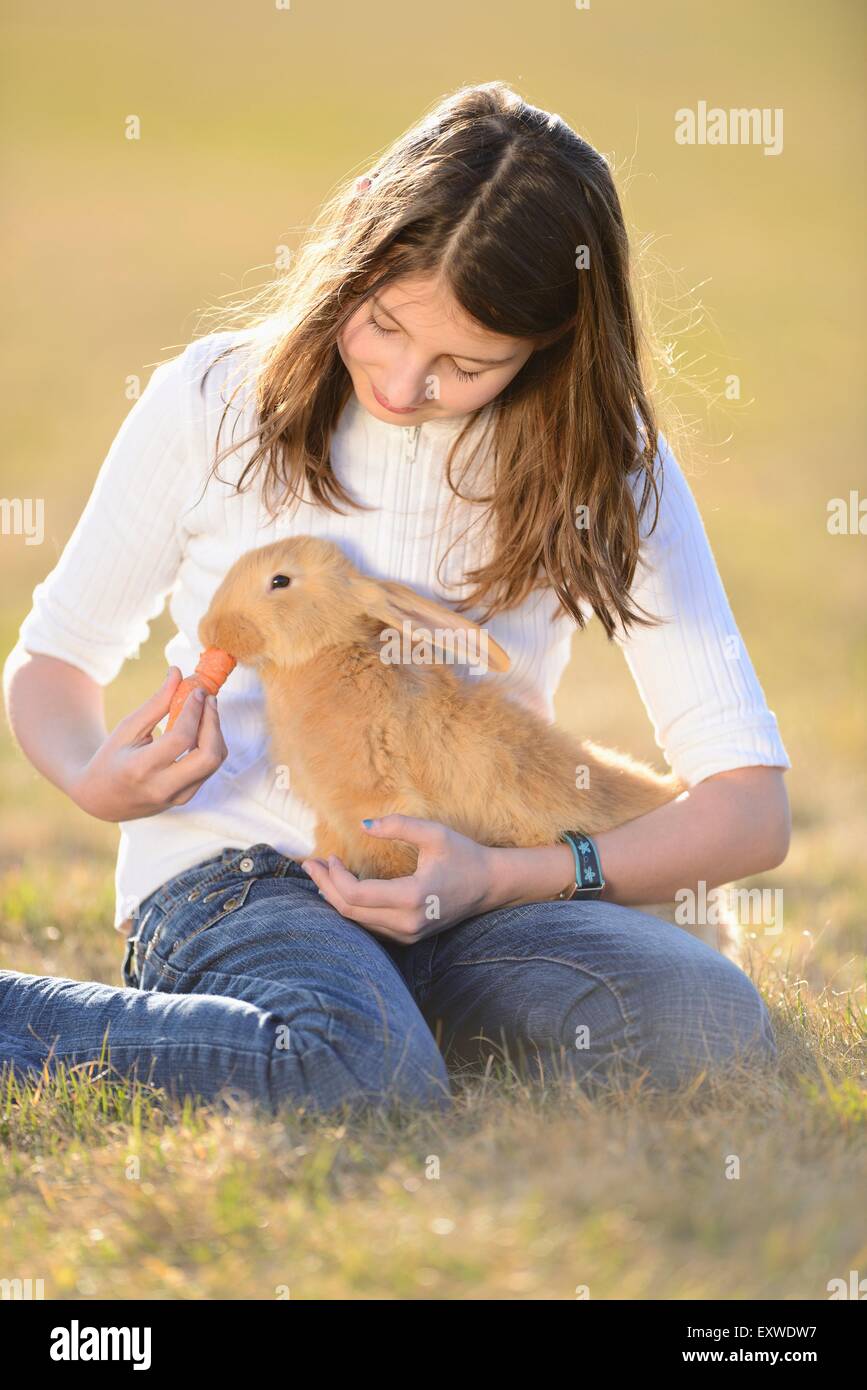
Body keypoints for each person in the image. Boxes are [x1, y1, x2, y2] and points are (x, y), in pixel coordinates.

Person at [2, 82, 790, 1112]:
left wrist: (504, 878)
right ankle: (331, 1030)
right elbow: (52, 662)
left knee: (708, 1022)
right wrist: (92, 777)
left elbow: (749, 808)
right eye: (380, 323)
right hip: (244, 878)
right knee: (361, 1077)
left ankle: (361, 1020)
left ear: (553, 343)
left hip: (480, 886)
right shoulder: (214, 400)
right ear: (359, 231)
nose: (402, 383)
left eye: (466, 364)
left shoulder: (603, 461)